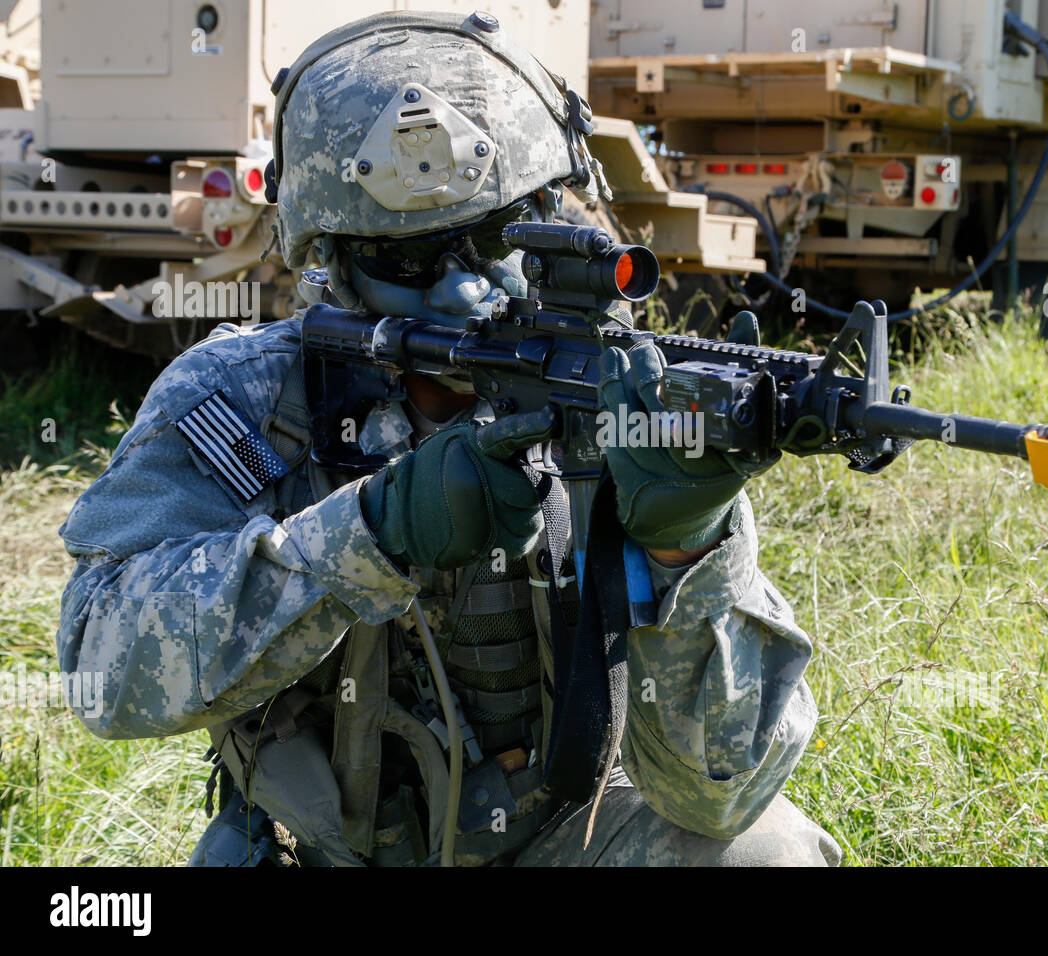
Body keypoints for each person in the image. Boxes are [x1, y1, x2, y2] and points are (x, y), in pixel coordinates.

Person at [55, 10, 840, 867]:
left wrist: (690, 554)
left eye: (498, 239)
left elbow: (718, 795)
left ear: (552, 216)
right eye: (409, 258)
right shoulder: (247, 398)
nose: (464, 291)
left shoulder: (625, 399)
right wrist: (371, 536)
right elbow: (101, 667)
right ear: (335, 260)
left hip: (563, 837)